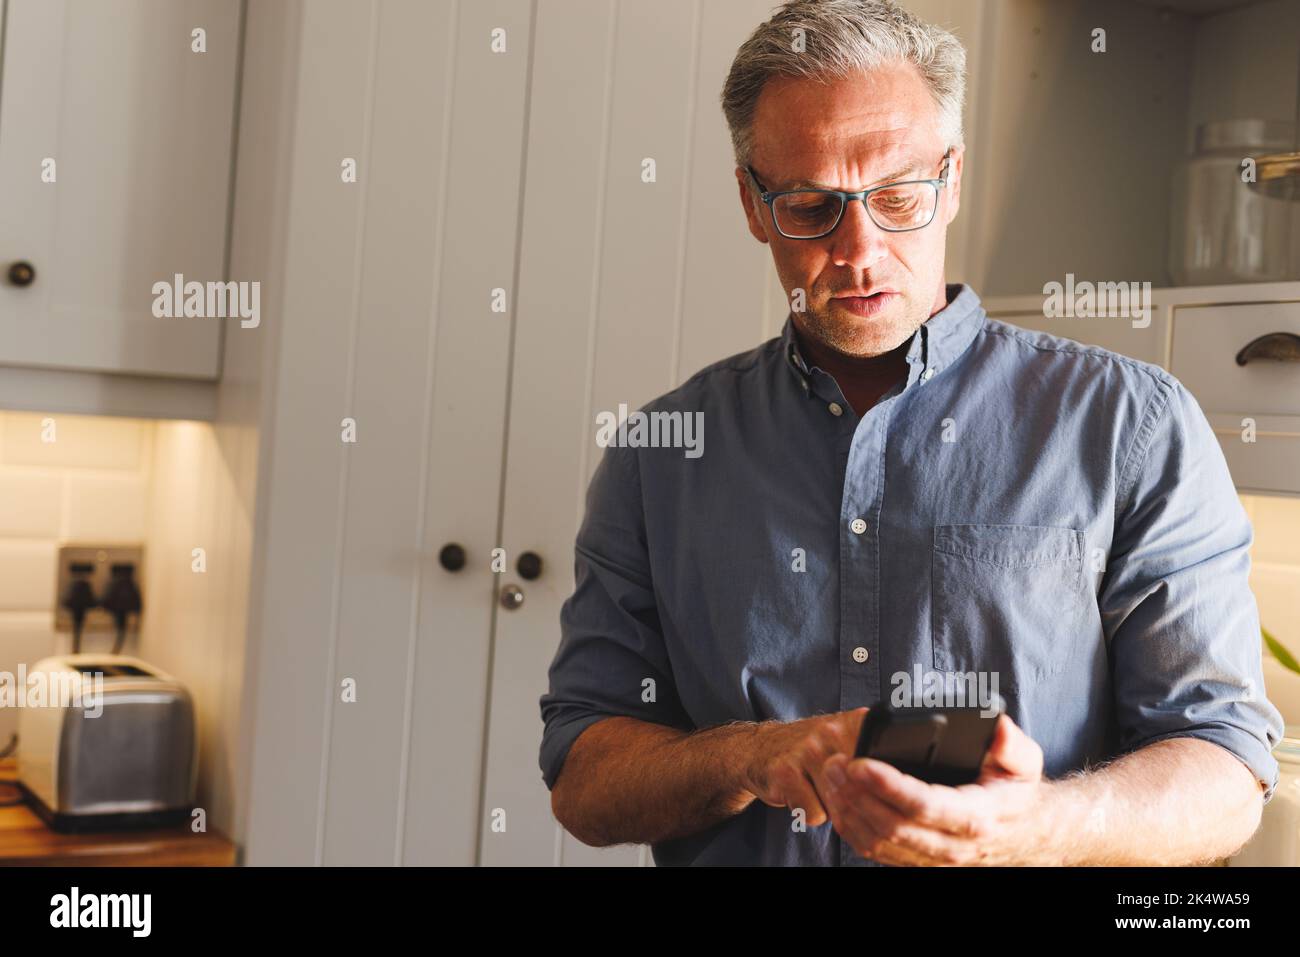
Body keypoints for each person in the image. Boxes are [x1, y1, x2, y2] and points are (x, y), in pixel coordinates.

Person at [538, 0, 1284, 866]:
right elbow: (585, 780)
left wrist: (1035, 825)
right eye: (812, 206)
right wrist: (755, 754)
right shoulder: (660, 455)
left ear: (953, 179)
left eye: (897, 195)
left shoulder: (1132, 424)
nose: (859, 248)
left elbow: (1227, 766)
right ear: (751, 200)